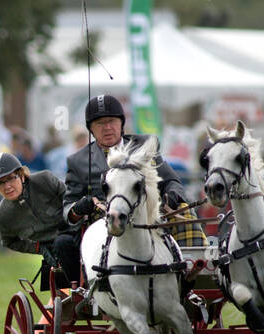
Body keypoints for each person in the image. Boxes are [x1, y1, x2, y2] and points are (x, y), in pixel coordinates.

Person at [61, 94, 189, 242]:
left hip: (150, 220)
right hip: (105, 226)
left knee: (187, 212)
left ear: (121, 123)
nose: (107, 128)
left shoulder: (145, 146)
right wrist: (79, 208)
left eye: (111, 121)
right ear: (91, 129)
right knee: (63, 243)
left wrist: (171, 196)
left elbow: (172, 181)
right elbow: (67, 211)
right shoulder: (77, 161)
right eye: (100, 123)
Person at [0, 151, 80, 290]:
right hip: (54, 251)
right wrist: (37, 248)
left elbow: (70, 199)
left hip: (77, 232)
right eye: (0, 183)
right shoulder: (2, 216)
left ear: (21, 176)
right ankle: (76, 290)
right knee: (61, 244)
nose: (7, 186)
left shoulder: (45, 180)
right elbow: (9, 242)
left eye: (11, 179)